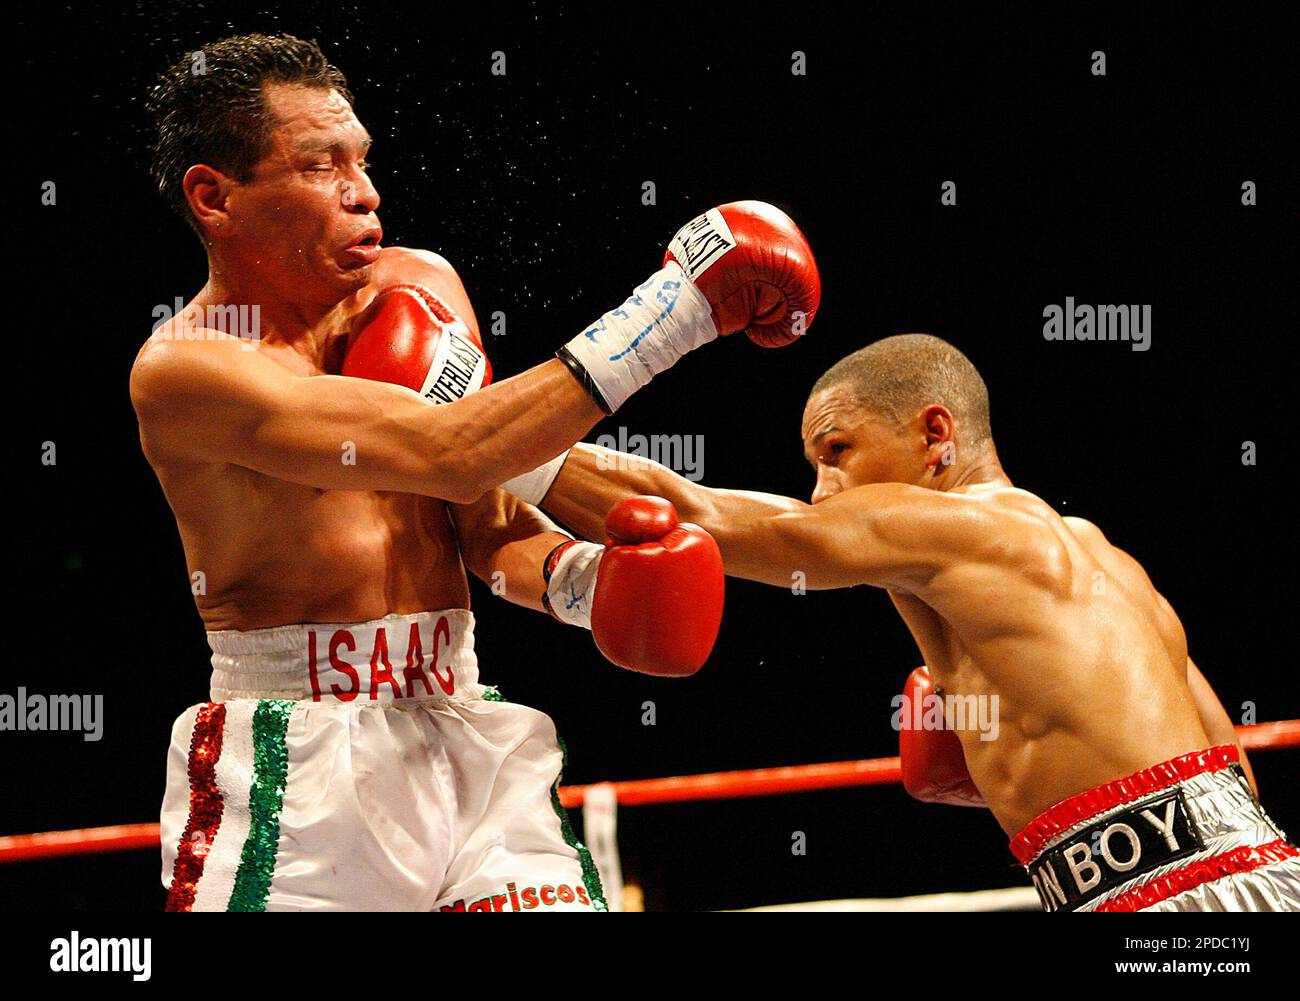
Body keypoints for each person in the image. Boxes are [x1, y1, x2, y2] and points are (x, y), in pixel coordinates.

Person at [131, 33, 820, 911]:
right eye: (319, 166)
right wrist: (677, 310)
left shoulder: (420, 285)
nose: (364, 193)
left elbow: (484, 518)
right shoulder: (188, 369)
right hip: (293, 764)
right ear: (213, 195)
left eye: (362, 159)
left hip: (462, 721)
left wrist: (581, 580)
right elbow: (451, 450)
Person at [516, 333, 1300, 912]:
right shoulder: (1109, 561)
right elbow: (1233, 771)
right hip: (1255, 874)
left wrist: (499, 444)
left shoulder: (954, 524)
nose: (825, 491)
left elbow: (703, 515)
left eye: (838, 450)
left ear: (935, 435)